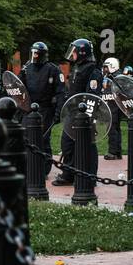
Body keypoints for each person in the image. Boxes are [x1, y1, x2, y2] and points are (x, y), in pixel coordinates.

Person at [53, 39, 102, 186]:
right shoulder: (77, 68)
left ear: (82, 52)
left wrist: (86, 115)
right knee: (67, 144)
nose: (72, 55)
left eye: (74, 51)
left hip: (84, 115)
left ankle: (89, 176)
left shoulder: (93, 70)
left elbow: (92, 95)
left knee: (88, 145)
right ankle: (69, 174)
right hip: (72, 113)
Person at [24, 41, 63, 166]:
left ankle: (45, 167)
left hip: (46, 109)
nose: (34, 56)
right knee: (25, 136)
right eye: (33, 53)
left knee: (43, 139)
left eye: (37, 53)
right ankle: (29, 163)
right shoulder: (27, 68)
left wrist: (58, 111)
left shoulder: (53, 69)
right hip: (29, 108)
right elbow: (20, 87)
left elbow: (60, 92)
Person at [101, 56, 123, 160]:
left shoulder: (116, 77)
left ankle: (112, 152)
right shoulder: (111, 76)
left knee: (112, 129)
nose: (105, 69)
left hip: (114, 106)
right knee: (115, 128)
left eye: (106, 67)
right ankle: (117, 152)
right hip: (113, 105)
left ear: (112, 66)